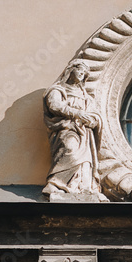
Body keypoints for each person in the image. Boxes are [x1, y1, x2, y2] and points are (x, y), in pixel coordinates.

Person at [42, 59, 107, 201]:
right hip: (66, 128)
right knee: (69, 148)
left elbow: (93, 113)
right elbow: (55, 106)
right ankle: (57, 183)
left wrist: (93, 120)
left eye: (84, 73)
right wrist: (77, 113)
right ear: (71, 70)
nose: (81, 74)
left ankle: (83, 187)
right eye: (80, 70)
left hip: (84, 131)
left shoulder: (85, 96)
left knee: (85, 161)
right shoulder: (58, 89)